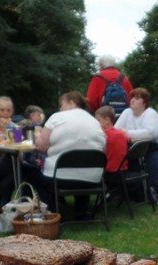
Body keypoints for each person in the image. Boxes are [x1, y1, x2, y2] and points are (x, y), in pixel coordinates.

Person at [27, 91, 106, 220]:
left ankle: (52, 210)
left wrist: (38, 137)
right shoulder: (95, 122)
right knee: (80, 167)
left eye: (61, 104)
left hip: (60, 178)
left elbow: (41, 147)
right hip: (93, 178)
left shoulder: (57, 117)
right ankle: (81, 211)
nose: (60, 108)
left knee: (29, 171)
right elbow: (103, 150)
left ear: (71, 102)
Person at [115, 87, 158, 206]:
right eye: (132, 97)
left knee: (153, 160)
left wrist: (127, 133)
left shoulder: (150, 113)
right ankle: (132, 194)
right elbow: (116, 132)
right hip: (138, 151)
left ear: (145, 102)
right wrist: (125, 134)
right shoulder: (127, 113)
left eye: (137, 98)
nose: (132, 100)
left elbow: (151, 134)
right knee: (126, 160)